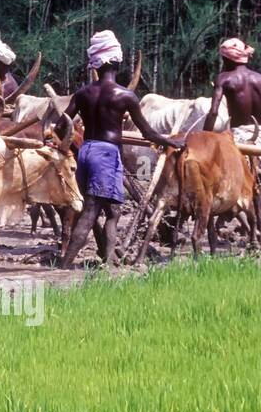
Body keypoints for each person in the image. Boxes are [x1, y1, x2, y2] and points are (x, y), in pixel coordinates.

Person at [58, 30, 182, 269]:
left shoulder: (83, 94)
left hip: (86, 151)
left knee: (114, 211)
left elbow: (62, 122)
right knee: (91, 211)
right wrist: (171, 142)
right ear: (116, 60)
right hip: (106, 154)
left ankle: (109, 261)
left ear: (96, 62)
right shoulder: (126, 96)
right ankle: (64, 267)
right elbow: (148, 133)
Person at [203, 37, 261, 248]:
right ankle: (259, 240)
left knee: (232, 187)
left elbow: (213, 111)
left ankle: (234, 226)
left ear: (227, 59)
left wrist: (205, 135)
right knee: (260, 194)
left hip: (238, 139)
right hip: (260, 139)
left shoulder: (224, 78)